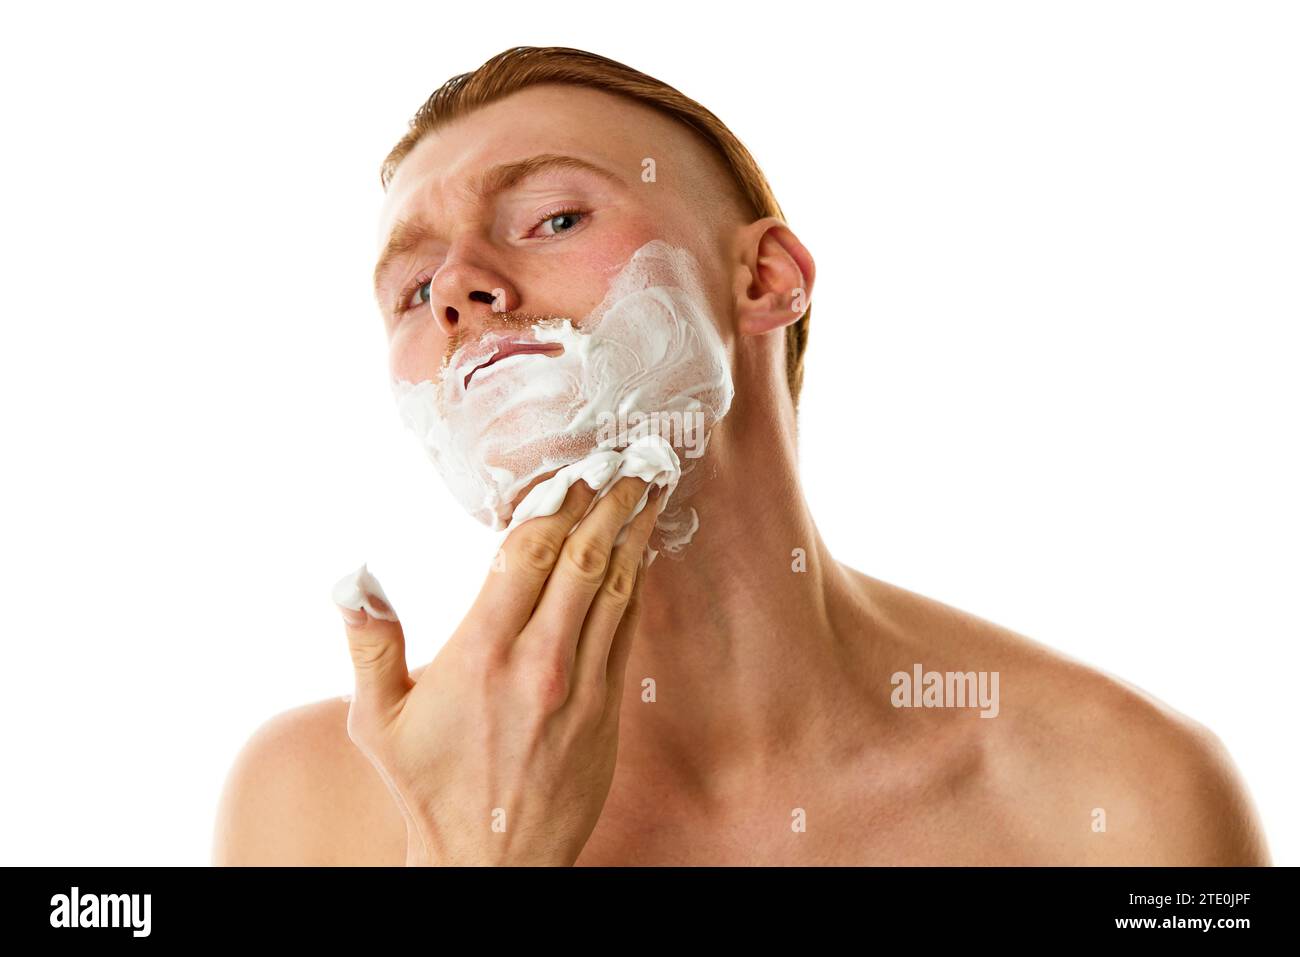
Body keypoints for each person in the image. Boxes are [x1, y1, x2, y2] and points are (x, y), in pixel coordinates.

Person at [212, 47, 1270, 866]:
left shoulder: (1123, 796)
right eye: (411, 291)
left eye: (553, 217)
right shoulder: (310, 804)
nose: (457, 289)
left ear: (764, 279)